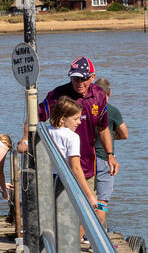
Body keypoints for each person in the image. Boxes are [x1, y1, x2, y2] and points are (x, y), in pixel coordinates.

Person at [37, 57, 118, 194]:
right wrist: (26, 139)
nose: (79, 83)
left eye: (83, 79)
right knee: (60, 212)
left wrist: (110, 155)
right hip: (59, 172)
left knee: (87, 208)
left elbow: (103, 128)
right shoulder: (57, 95)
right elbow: (35, 117)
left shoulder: (99, 95)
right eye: (75, 79)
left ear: (92, 77)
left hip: (87, 169)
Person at [48, 96, 105, 226]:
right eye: (75, 118)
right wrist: (89, 196)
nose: (79, 122)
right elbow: (76, 168)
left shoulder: (45, 131)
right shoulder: (72, 137)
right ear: (62, 118)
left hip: (46, 180)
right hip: (63, 182)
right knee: (66, 220)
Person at [91, 75, 127, 223]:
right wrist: (111, 137)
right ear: (109, 93)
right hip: (105, 158)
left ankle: (82, 235)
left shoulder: (86, 107)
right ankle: (95, 237)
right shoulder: (112, 111)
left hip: (85, 158)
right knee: (102, 202)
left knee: (86, 198)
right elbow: (124, 134)